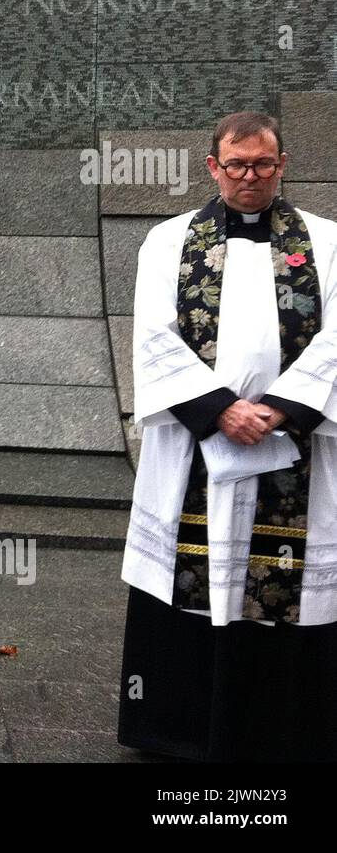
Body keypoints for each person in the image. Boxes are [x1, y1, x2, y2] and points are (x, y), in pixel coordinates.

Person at [119, 110, 337, 761]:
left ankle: (289, 736)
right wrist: (219, 407)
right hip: (197, 449)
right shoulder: (168, 240)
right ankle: (177, 732)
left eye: (263, 165)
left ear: (282, 167)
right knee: (194, 587)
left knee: (284, 590)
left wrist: (282, 407)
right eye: (236, 165)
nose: (250, 177)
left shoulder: (326, 242)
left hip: (294, 444)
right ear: (212, 167)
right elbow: (153, 335)